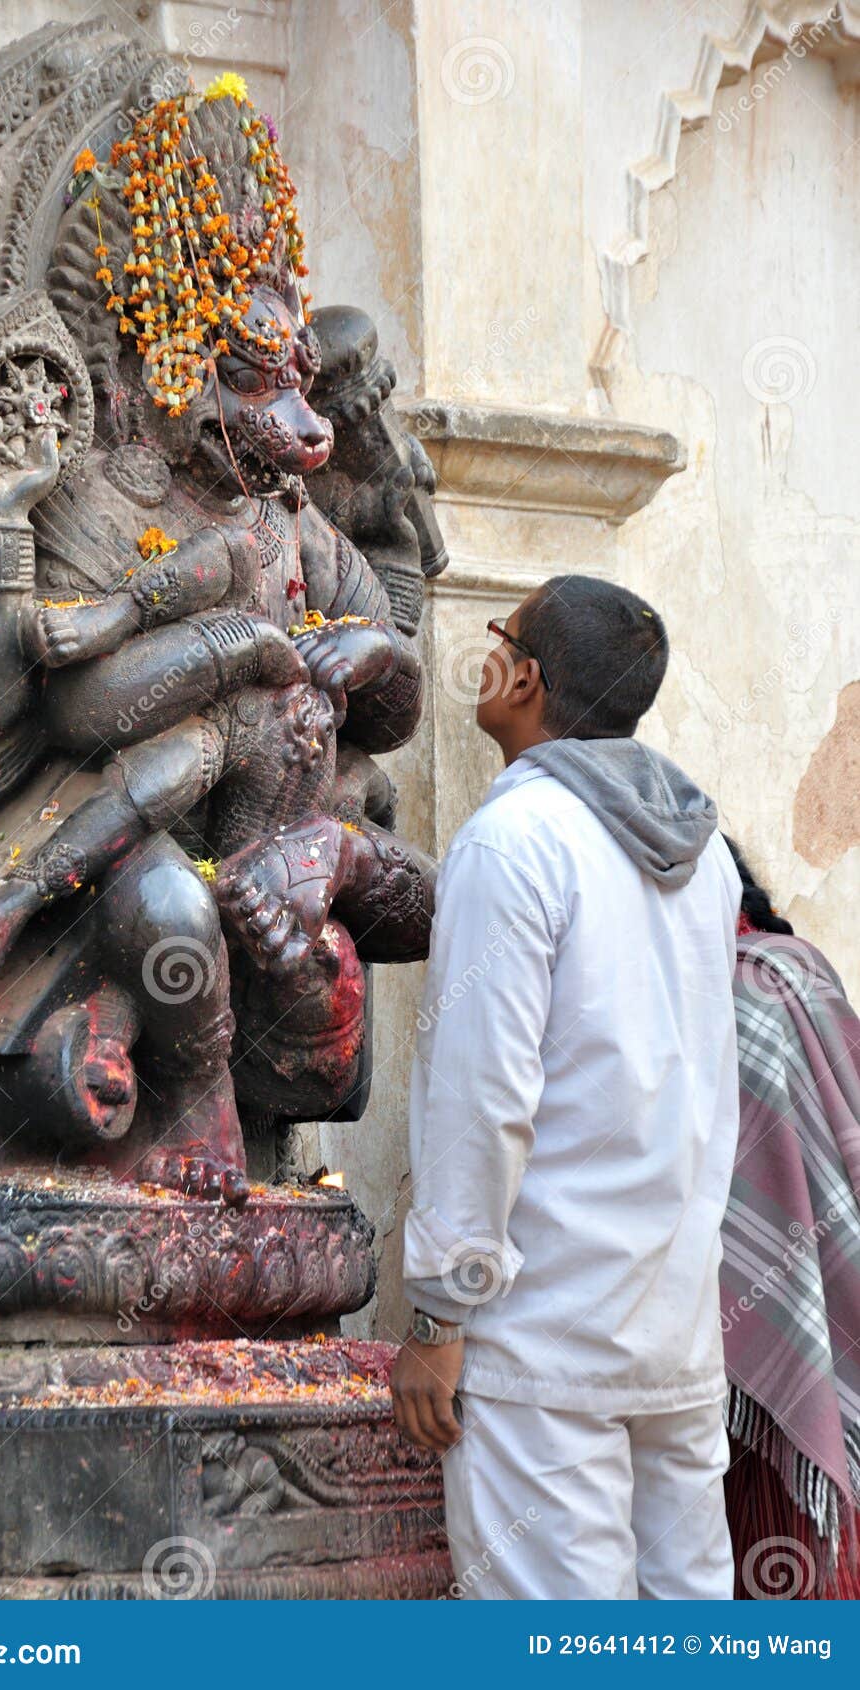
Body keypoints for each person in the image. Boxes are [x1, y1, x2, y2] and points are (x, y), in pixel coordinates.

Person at [391, 573, 742, 1600]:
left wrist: (438, 1319)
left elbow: (480, 1097)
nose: (487, 654)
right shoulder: (704, 856)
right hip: (672, 1332)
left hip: (545, 1348)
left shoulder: (514, 842)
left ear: (525, 679)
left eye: (498, 636)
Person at [719, 841, 860, 1600]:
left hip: (748, 1320)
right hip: (828, 1277)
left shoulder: (729, 995)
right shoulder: (801, 965)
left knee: (769, 1541)